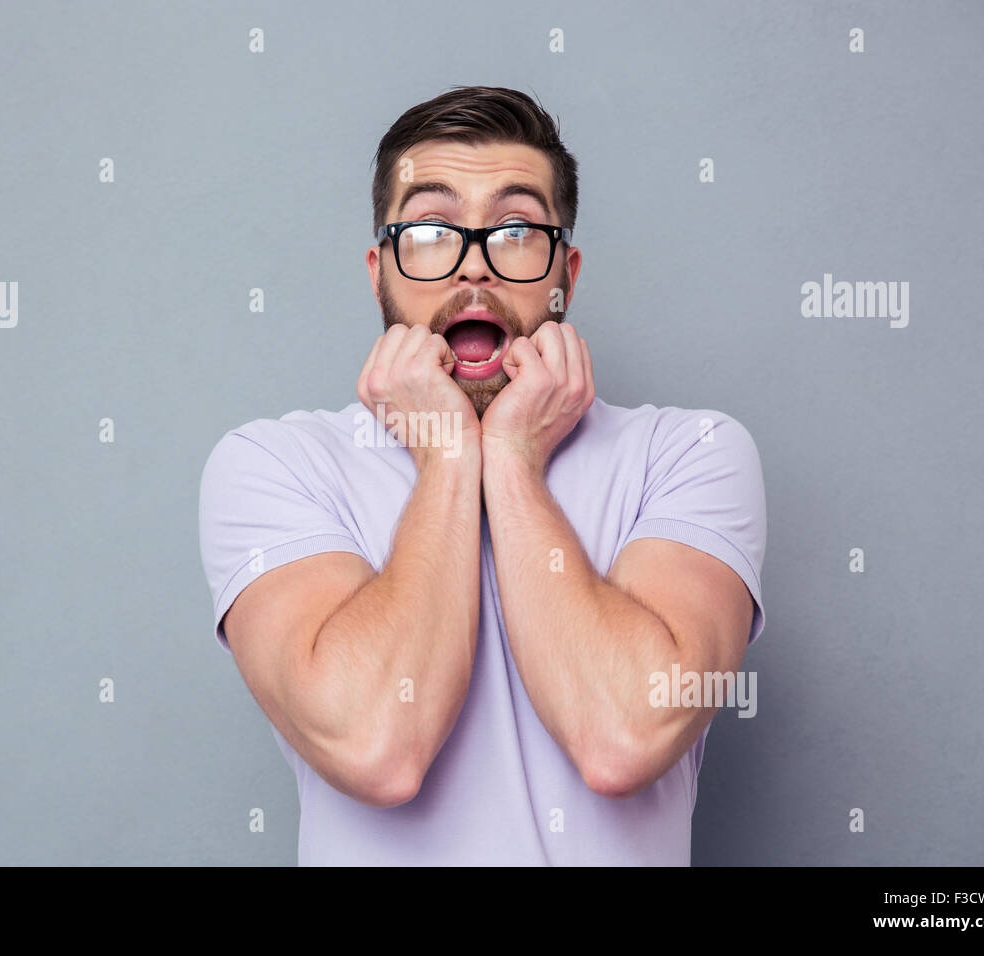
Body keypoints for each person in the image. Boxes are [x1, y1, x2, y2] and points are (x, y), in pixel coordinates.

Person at [198, 86, 767, 865]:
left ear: (564, 272)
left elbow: (623, 737)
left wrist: (513, 458)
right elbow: (376, 748)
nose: (474, 268)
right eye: (431, 230)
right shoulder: (273, 466)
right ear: (379, 273)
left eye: (515, 229)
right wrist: (447, 455)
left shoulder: (692, 452)